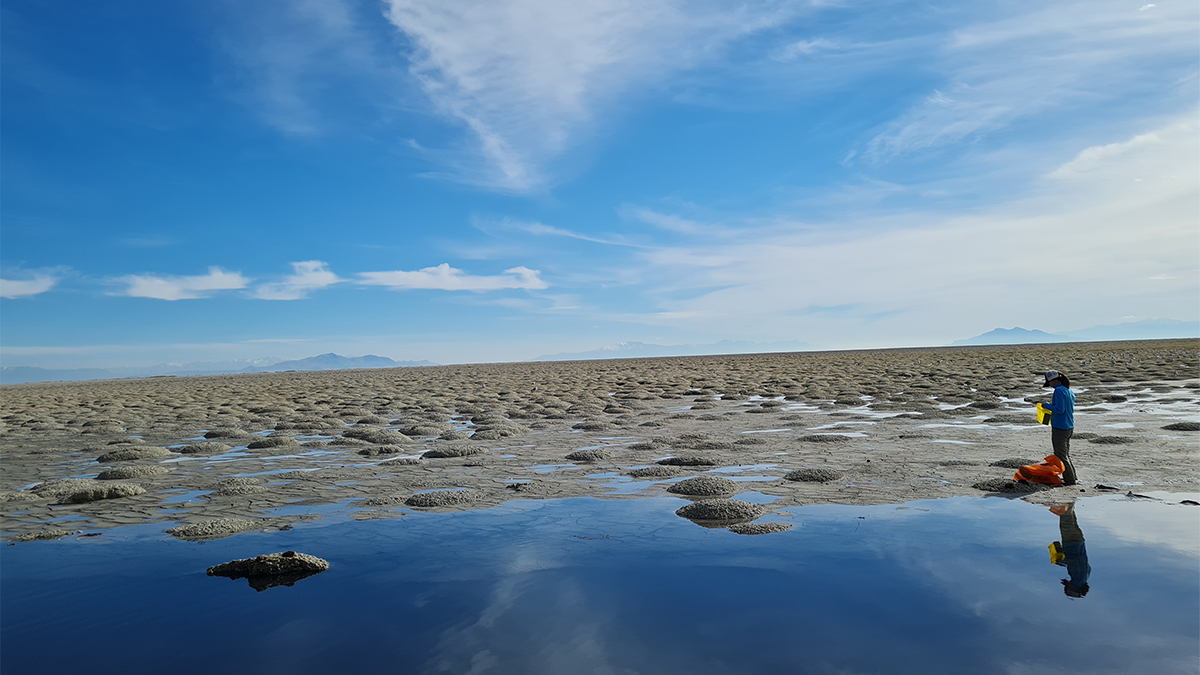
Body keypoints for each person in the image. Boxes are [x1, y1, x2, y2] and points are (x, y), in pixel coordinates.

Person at [1042, 369, 1077, 485]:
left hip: (1060, 427)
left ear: (1054, 381)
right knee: (1065, 454)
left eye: (1049, 383)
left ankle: (1070, 480)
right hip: (1069, 426)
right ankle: (1072, 477)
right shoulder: (1068, 390)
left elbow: (1059, 410)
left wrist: (1047, 406)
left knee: (1061, 455)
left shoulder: (1058, 391)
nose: (1050, 386)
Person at [1048, 503, 1091, 597]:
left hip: (1080, 541)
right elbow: (1074, 562)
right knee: (1065, 518)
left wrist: (1064, 562)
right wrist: (1061, 561)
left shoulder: (1085, 577)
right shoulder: (1077, 581)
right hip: (1071, 543)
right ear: (1073, 589)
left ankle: (1070, 500)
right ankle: (1068, 499)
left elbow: (1080, 563)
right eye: (1067, 588)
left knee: (1071, 517)